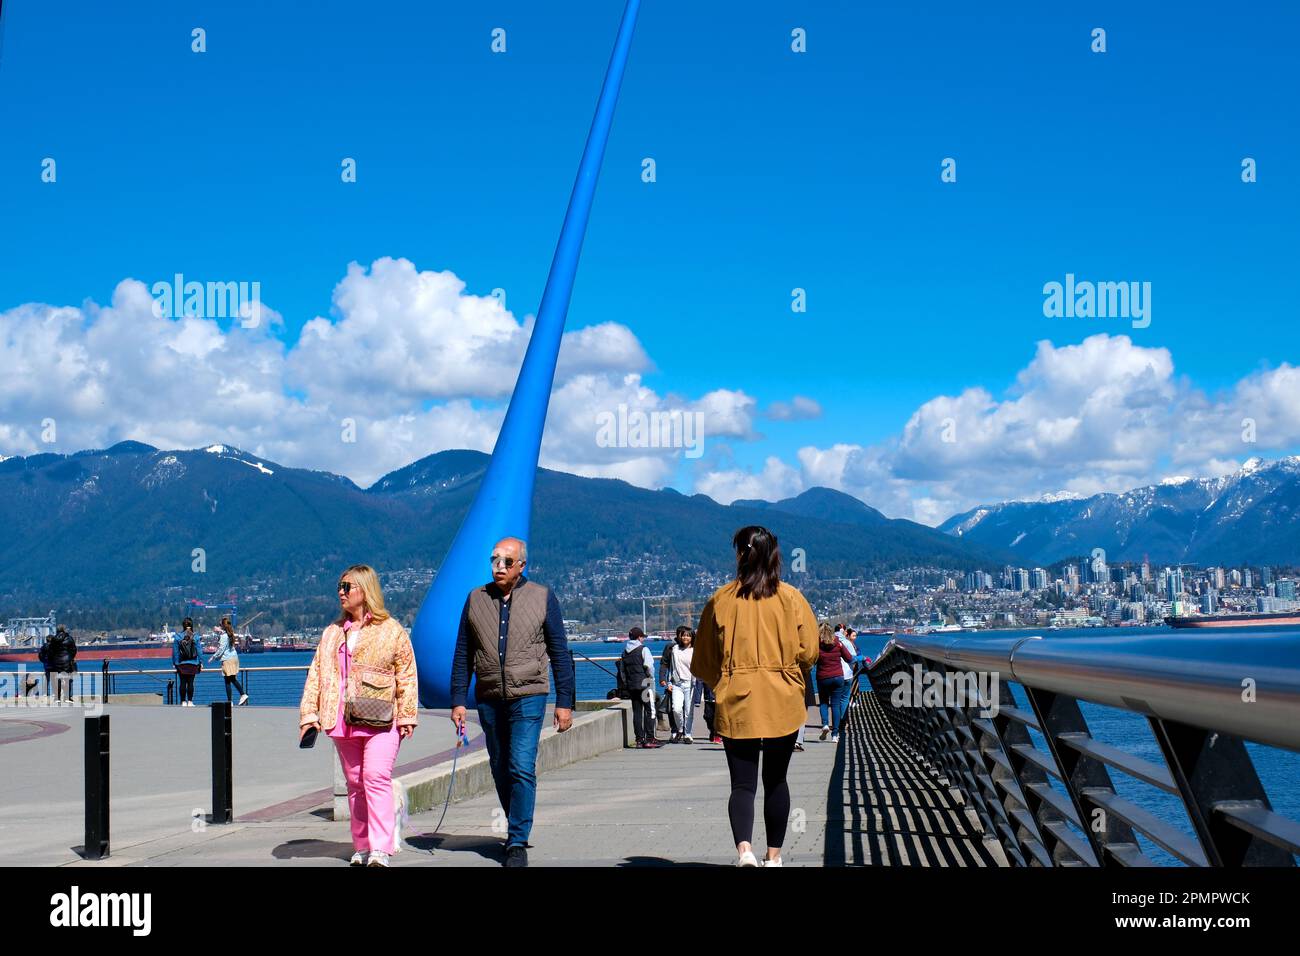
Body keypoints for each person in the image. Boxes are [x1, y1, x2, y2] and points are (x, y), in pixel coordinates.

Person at [691, 526, 819, 867]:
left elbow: (703, 660)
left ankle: (745, 851)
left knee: (742, 784)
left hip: (737, 698)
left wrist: (726, 676)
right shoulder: (791, 598)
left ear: (739, 555)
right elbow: (810, 653)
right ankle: (774, 857)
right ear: (774, 555)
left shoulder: (720, 599)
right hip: (783, 698)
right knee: (776, 779)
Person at [450, 537, 575, 868]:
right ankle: (515, 823)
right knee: (500, 766)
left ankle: (517, 839)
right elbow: (463, 652)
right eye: (494, 560)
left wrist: (565, 701)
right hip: (489, 697)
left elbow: (560, 653)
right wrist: (458, 700)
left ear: (522, 565)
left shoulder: (543, 597)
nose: (499, 567)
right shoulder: (475, 599)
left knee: (521, 765)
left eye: (506, 561)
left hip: (530, 695)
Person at [300, 564, 418, 867]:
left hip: (382, 718)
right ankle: (363, 845)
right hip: (341, 718)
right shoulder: (331, 633)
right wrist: (308, 714)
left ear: (364, 590)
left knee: (375, 777)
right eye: (339, 587)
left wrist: (406, 715)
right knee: (354, 782)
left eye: (346, 587)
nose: (340, 592)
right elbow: (316, 674)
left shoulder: (391, 630)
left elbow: (406, 673)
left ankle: (380, 848)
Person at [621, 626, 660, 749]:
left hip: (632, 685)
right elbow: (649, 667)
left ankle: (639, 740)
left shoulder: (624, 652)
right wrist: (651, 680)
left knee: (637, 713)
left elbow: (622, 671)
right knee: (650, 710)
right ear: (639, 637)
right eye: (642, 637)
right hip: (645, 684)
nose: (643, 639)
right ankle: (650, 739)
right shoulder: (643, 649)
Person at [816, 622, 855, 742]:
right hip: (838, 677)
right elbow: (849, 658)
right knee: (836, 705)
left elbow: (811, 658)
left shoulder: (817, 643)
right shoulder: (837, 642)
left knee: (823, 701)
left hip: (823, 677)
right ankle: (835, 734)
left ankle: (825, 724)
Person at [661, 626, 696, 743]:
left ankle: (688, 734)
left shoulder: (695, 650)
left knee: (688, 711)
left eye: (688, 635)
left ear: (692, 637)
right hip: (677, 683)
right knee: (676, 709)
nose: (686, 637)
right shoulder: (674, 649)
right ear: (679, 636)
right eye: (683, 635)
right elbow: (668, 666)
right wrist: (666, 681)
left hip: (691, 684)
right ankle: (680, 729)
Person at [208, 618, 249, 706]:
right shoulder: (230, 634)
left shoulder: (224, 636)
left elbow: (221, 649)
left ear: (222, 626)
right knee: (232, 679)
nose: (218, 626)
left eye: (220, 625)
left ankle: (233, 699)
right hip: (234, 658)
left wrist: (213, 657)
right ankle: (241, 695)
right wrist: (219, 631)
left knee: (227, 680)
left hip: (227, 660)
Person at [42, 626, 77, 703]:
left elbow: (51, 650)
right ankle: (67, 698)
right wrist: (70, 657)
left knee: (57, 679)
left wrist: (53, 658)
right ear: (64, 630)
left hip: (56, 661)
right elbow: (74, 649)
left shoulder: (54, 639)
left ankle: (57, 698)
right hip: (67, 661)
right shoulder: (69, 638)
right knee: (67, 678)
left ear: (57, 631)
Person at [172, 617, 202, 706]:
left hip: (181, 663)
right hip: (193, 663)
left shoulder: (178, 637)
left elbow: (175, 652)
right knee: (191, 683)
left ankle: (183, 701)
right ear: (191, 625)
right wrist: (200, 661)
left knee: (182, 682)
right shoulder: (195, 636)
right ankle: (190, 701)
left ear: (183, 625)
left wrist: (175, 663)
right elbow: (199, 650)